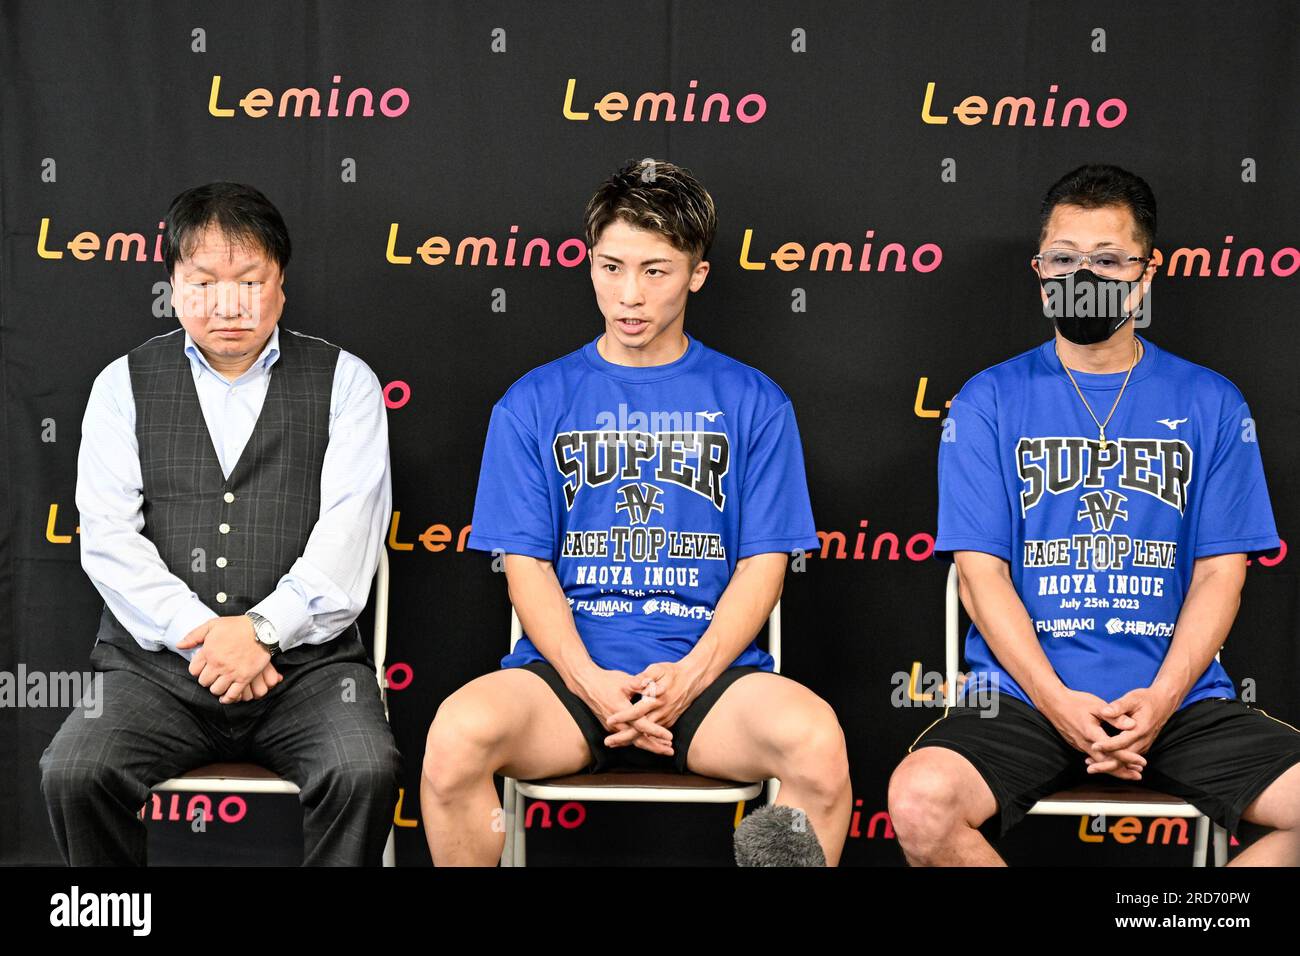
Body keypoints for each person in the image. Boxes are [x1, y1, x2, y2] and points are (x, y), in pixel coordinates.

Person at [421, 158, 851, 865]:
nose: (629, 294)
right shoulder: (532, 401)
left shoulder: (754, 401)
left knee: (817, 745)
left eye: (656, 271)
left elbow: (764, 565)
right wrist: (590, 682)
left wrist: (688, 680)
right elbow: (526, 568)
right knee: (455, 738)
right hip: (566, 682)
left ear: (697, 274)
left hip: (711, 682)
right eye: (611, 267)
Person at [888, 163, 1300, 865]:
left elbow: (1219, 577)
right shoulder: (988, 401)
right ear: (1039, 272)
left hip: (1178, 700)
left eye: (1108, 260)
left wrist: (1161, 700)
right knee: (921, 801)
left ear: (1146, 274)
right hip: (1024, 697)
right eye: (1064, 259)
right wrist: (1056, 701)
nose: (1083, 277)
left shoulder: (1211, 403)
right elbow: (981, 577)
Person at [39, 182, 402, 865]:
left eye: (249, 281)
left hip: (309, 673)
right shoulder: (122, 384)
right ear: (174, 287)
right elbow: (110, 540)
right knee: (75, 772)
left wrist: (262, 632)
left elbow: (350, 534)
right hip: (156, 674)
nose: (227, 303)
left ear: (281, 285)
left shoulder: (346, 381)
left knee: (364, 769)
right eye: (204, 282)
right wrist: (207, 638)